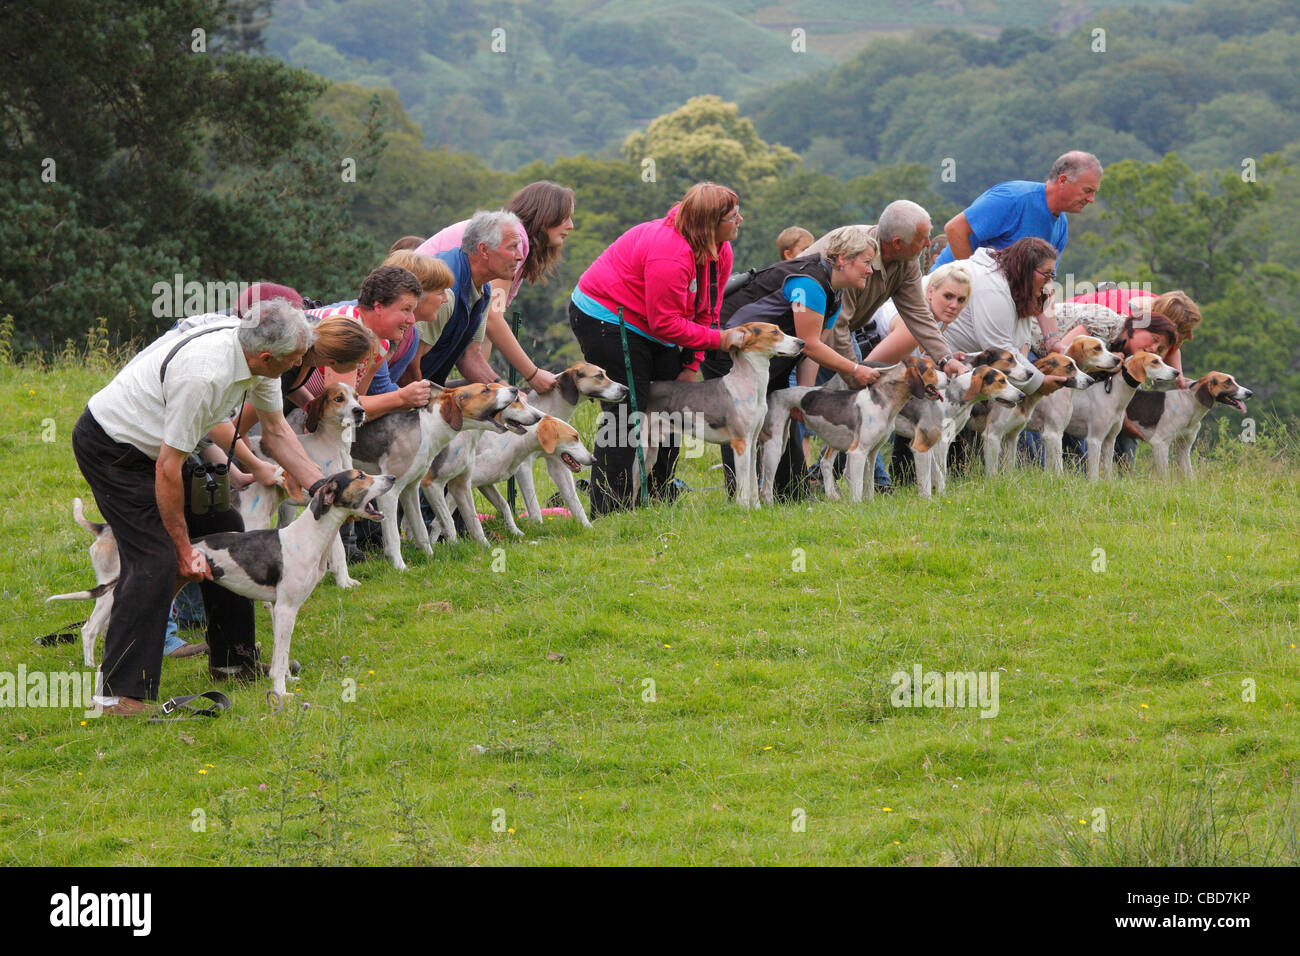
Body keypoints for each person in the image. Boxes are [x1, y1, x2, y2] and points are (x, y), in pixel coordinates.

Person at [71, 299, 326, 715]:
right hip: (114, 447)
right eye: (297, 359)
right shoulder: (205, 376)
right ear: (267, 357)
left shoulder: (258, 357)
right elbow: (168, 470)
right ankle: (119, 695)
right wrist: (184, 549)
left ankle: (233, 662)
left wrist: (321, 486)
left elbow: (277, 430)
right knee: (155, 557)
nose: (302, 365)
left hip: (160, 445)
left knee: (226, 522)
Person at [568, 182, 746, 516]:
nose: (741, 221)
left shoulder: (720, 249)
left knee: (672, 405)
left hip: (653, 323)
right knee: (628, 411)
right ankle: (610, 511)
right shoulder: (671, 253)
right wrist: (720, 340)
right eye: (733, 216)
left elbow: (708, 311)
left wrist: (691, 366)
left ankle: (657, 501)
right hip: (606, 316)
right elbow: (666, 323)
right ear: (710, 224)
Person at [703, 225, 880, 499]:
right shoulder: (810, 283)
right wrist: (854, 369)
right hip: (731, 348)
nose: (870, 270)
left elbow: (812, 348)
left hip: (770, 356)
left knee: (792, 485)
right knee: (743, 422)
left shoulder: (835, 291)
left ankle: (786, 493)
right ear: (843, 259)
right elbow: (810, 344)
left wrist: (802, 398)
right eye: (867, 263)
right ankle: (741, 496)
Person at [417, 181, 575, 394]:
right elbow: (492, 318)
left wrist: (493, 385)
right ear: (546, 215)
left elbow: (482, 330)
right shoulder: (512, 240)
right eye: (565, 217)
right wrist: (532, 374)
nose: (571, 225)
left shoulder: (512, 241)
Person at [805, 201, 969, 383]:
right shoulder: (853, 255)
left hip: (836, 331)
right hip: (800, 329)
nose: (928, 244)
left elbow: (917, 311)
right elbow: (837, 325)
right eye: (922, 239)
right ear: (897, 243)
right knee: (805, 397)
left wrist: (945, 359)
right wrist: (856, 379)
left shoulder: (907, 259)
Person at [408, 210, 527, 387]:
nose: (520, 256)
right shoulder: (445, 292)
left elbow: (469, 356)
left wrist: (505, 390)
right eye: (512, 247)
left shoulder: (483, 290)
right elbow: (409, 363)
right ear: (484, 250)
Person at [310, 265, 433, 420]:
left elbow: (357, 406)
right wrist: (401, 398)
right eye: (406, 309)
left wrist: (403, 399)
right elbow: (338, 408)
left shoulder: (381, 344)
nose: (412, 320)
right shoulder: (348, 329)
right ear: (378, 306)